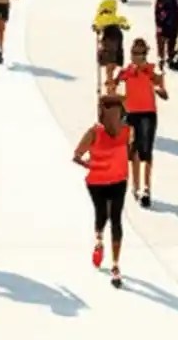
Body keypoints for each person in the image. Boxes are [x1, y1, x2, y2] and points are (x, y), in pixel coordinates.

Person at [72, 95, 131, 288]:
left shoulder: (126, 132)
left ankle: (115, 265)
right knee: (102, 214)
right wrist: (91, 164)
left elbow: (131, 153)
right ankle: (98, 240)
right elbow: (77, 155)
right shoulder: (94, 133)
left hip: (119, 180)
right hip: (97, 182)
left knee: (116, 218)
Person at [112, 38, 168, 208]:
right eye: (134, 53)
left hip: (148, 114)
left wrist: (159, 88)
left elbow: (164, 92)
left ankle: (146, 188)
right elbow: (113, 87)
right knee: (133, 150)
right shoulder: (126, 72)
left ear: (145, 55)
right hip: (130, 113)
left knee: (147, 151)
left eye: (140, 54)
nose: (136, 57)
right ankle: (136, 187)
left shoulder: (151, 71)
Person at [92, 0, 130, 94]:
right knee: (114, 61)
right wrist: (122, 24)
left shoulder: (103, 16)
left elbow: (99, 23)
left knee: (110, 61)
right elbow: (123, 22)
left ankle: (110, 82)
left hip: (109, 38)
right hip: (116, 37)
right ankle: (111, 81)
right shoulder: (113, 17)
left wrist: (97, 27)